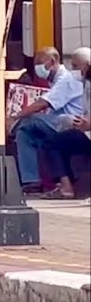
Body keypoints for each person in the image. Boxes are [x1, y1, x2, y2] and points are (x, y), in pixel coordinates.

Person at [10, 46, 87, 193]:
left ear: (53, 61)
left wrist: (14, 117)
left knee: (30, 120)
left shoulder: (67, 79)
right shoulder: (54, 82)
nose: (37, 68)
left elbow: (42, 104)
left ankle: (8, 128)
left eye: (40, 63)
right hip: (56, 123)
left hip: (71, 123)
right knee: (25, 134)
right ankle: (31, 181)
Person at [46, 47, 91, 199]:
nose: (74, 71)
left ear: (87, 65)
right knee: (55, 141)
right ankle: (66, 186)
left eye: (76, 66)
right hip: (85, 131)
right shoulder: (85, 84)